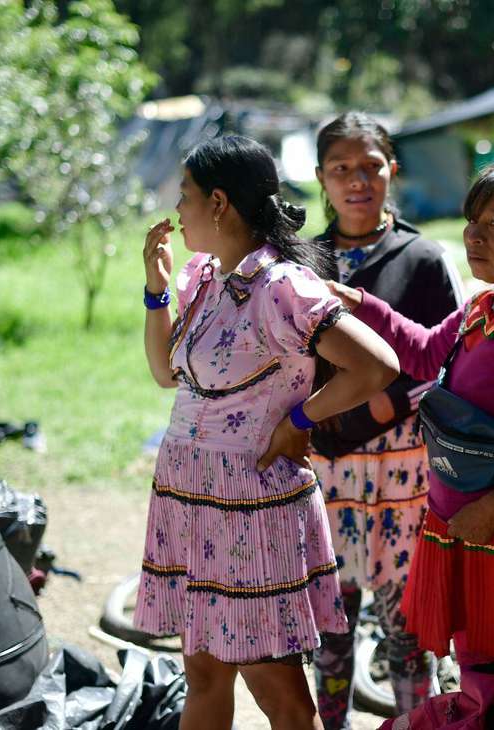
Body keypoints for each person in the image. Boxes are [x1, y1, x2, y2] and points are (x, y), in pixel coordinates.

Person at [134, 135, 400, 730]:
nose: (177, 209)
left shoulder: (280, 286)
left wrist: (300, 420)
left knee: (279, 694)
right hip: (190, 495)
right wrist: (156, 289)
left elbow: (377, 365)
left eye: (185, 195)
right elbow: (164, 373)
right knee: (204, 676)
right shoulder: (204, 276)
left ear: (219, 202)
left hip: (248, 506)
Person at [329, 159, 494, 729]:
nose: (474, 236)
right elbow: (426, 352)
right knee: (484, 674)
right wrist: (359, 304)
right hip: (473, 529)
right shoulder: (486, 307)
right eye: (473, 221)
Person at [309, 112, 463, 729]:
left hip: (404, 470)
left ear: (391, 170)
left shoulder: (423, 258)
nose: (357, 181)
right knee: (330, 625)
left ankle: (410, 723)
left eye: (370, 166)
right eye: (341, 169)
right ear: (320, 178)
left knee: (407, 629)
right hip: (322, 468)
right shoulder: (303, 262)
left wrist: (382, 404)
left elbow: (449, 358)